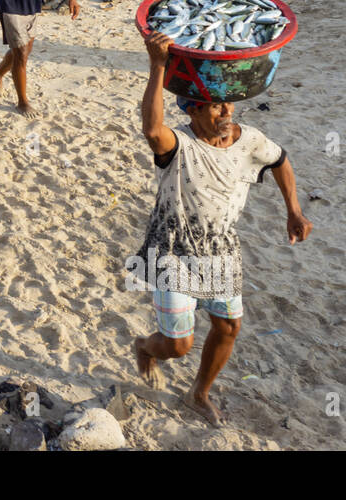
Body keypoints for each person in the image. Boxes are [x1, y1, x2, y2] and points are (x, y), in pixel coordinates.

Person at [132, 32, 313, 426]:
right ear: (193, 112)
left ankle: (199, 392)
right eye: (215, 108)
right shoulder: (177, 145)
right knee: (178, 345)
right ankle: (145, 347)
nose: (226, 113)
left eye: (227, 104)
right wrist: (158, 64)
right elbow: (150, 129)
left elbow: (280, 160)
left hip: (220, 250)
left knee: (228, 325)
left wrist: (293, 210)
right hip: (173, 251)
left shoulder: (248, 141)